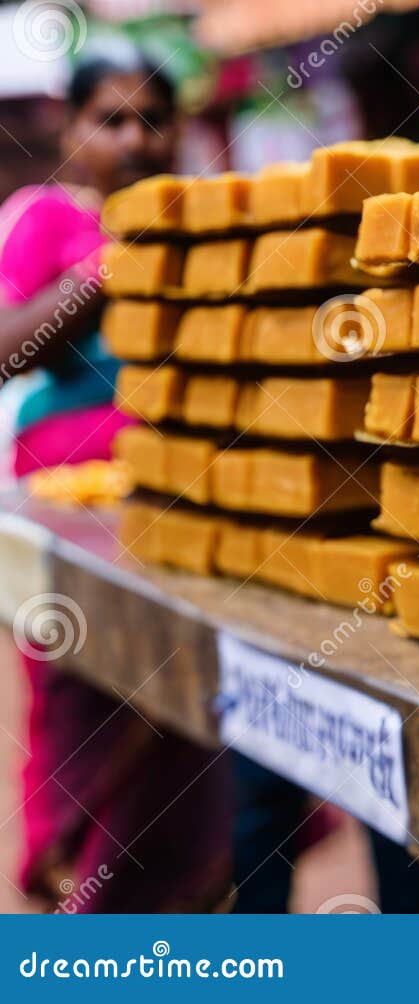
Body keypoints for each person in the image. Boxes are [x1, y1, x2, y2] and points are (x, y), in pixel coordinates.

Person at [0, 43, 232, 911]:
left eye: (152, 119)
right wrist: (106, 269)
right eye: (110, 118)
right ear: (70, 128)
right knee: (84, 709)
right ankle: (75, 892)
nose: (134, 139)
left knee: (189, 713)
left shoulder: (203, 225)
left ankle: (178, 908)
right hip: (71, 525)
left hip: (184, 511)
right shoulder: (45, 217)